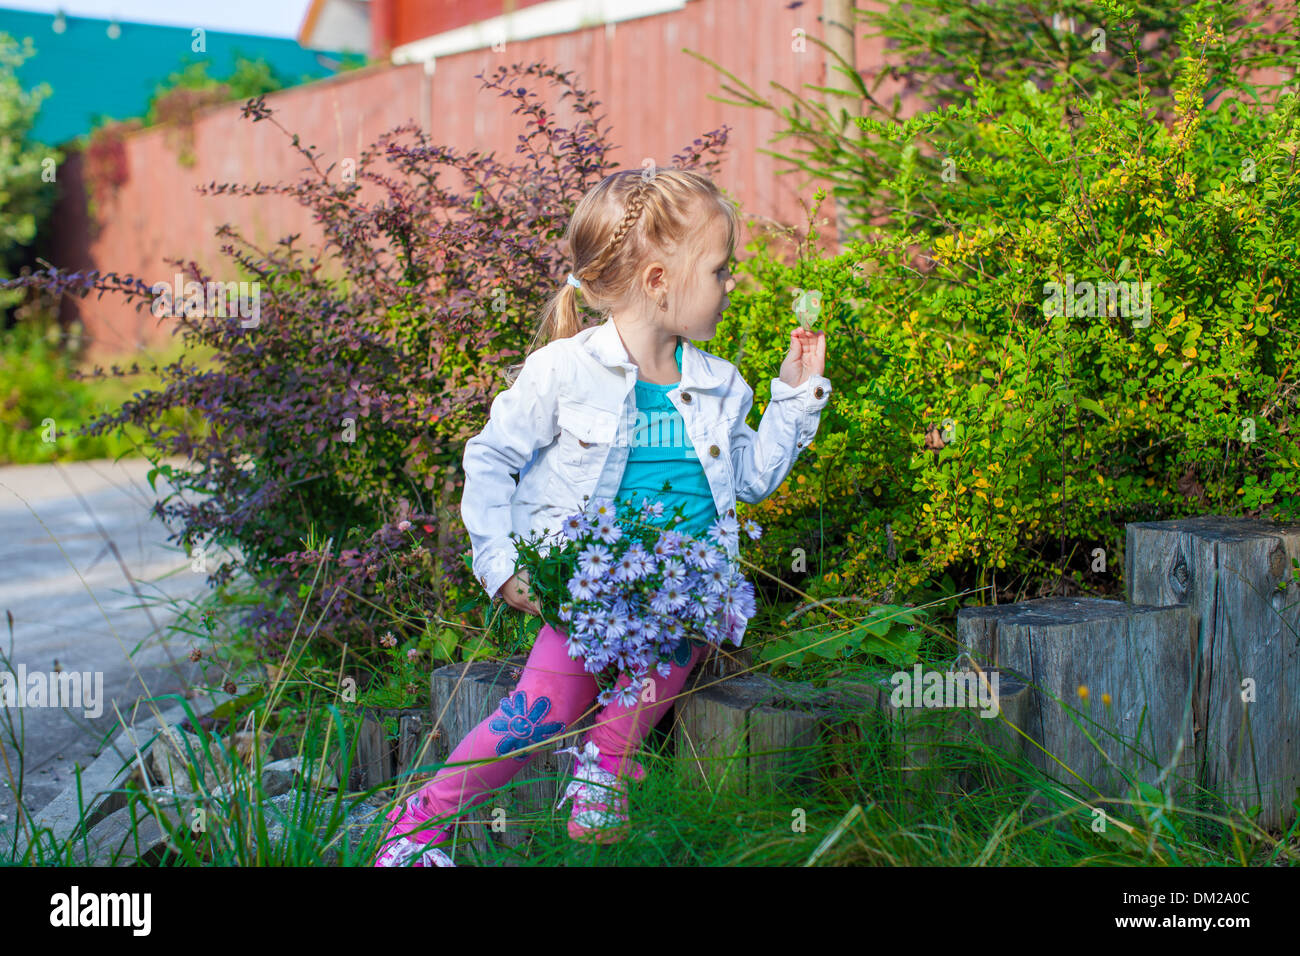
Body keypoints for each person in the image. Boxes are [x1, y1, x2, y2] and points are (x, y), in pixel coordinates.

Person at [375, 168, 831, 866]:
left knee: (692, 621)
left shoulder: (719, 384)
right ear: (657, 281)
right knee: (535, 715)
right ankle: (415, 829)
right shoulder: (564, 371)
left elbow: (752, 479)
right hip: (589, 597)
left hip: (679, 594)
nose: (730, 283)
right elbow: (490, 459)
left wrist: (796, 398)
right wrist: (499, 569)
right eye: (719, 269)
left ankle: (605, 766)